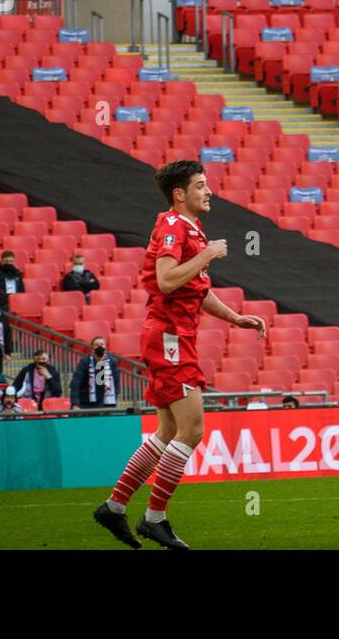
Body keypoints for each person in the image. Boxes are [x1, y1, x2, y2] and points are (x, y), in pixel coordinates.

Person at [94, 159, 266, 551]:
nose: (209, 192)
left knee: (168, 432)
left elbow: (196, 290)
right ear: (180, 194)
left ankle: (115, 506)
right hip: (169, 338)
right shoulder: (174, 226)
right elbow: (167, 280)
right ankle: (154, 519)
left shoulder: (189, 228)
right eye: (201, 185)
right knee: (192, 430)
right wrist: (207, 254)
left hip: (171, 336)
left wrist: (235, 317)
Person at [71, 336, 120, 411]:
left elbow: (116, 383)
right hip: (86, 403)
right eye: (96, 345)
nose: (99, 347)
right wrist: (75, 403)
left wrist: (114, 400)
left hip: (106, 403)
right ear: (92, 348)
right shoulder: (84, 362)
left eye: (102, 344)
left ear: (106, 347)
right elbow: (75, 383)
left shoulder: (112, 362)